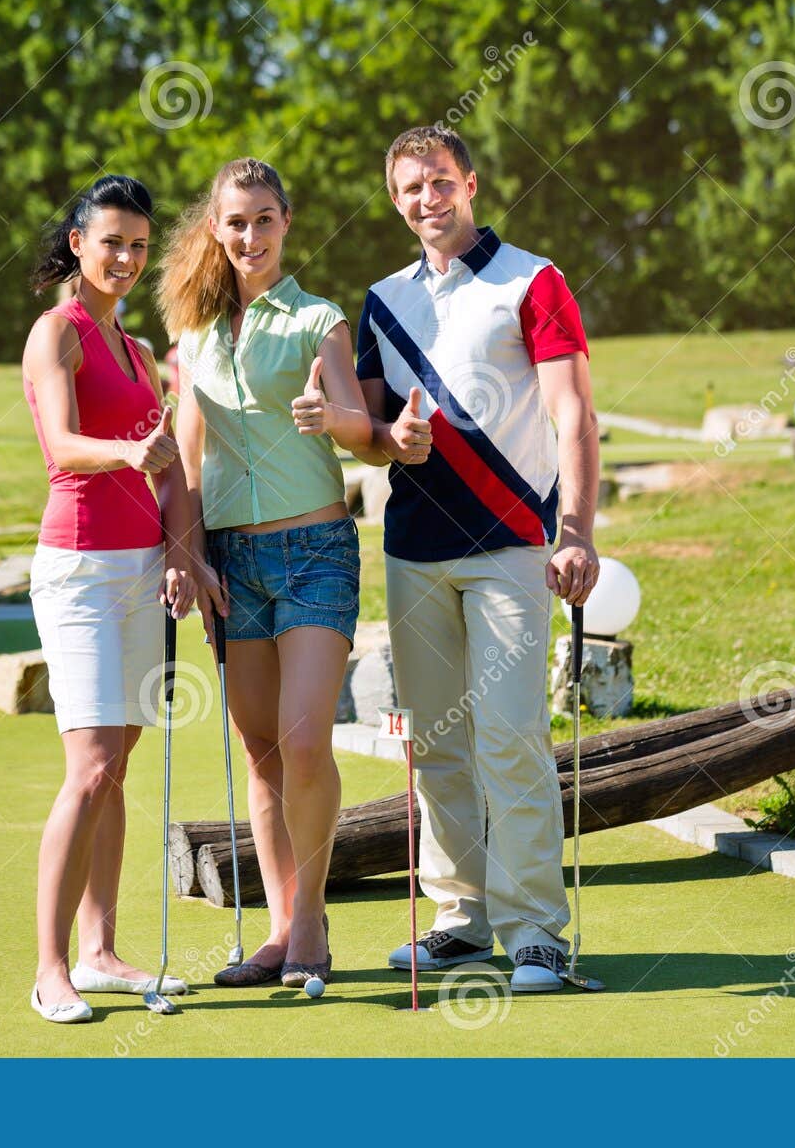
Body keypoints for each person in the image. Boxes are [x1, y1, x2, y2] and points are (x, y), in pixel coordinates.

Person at [351, 126, 602, 992]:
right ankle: (461, 921)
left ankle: (536, 932)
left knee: (509, 735)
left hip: (511, 545)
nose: (429, 199)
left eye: (441, 182)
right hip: (414, 550)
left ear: (472, 184)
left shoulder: (533, 280)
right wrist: (392, 438)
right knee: (438, 744)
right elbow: (374, 430)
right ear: (395, 200)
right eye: (412, 188)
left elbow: (574, 415)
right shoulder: (381, 300)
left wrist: (578, 530)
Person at [157, 158, 371, 989]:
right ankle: (281, 930)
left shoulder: (320, 319)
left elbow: (358, 424)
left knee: (307, 741)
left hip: (316, 550)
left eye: (265, 220)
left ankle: (312, 923)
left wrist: (335, 418)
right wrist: (186, 551)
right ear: (216, 227)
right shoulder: (194, 335)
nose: (250, 236)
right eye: (236, 222)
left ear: (288, 223)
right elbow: (184, 451)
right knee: (260, 752)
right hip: (232, 562)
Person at [22, 175, 201, 1024]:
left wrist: (179, 550)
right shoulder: (56, 332)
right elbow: (60, 445)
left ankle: (99, 949)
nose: (125, 258)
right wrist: (132, 456)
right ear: (77, 244)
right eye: (111, 242)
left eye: (138, 244)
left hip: (140, 573)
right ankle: (49, 967)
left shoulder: (137, 352)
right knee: (88, 768)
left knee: (117, 768)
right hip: (81, 574)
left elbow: (170, 470)